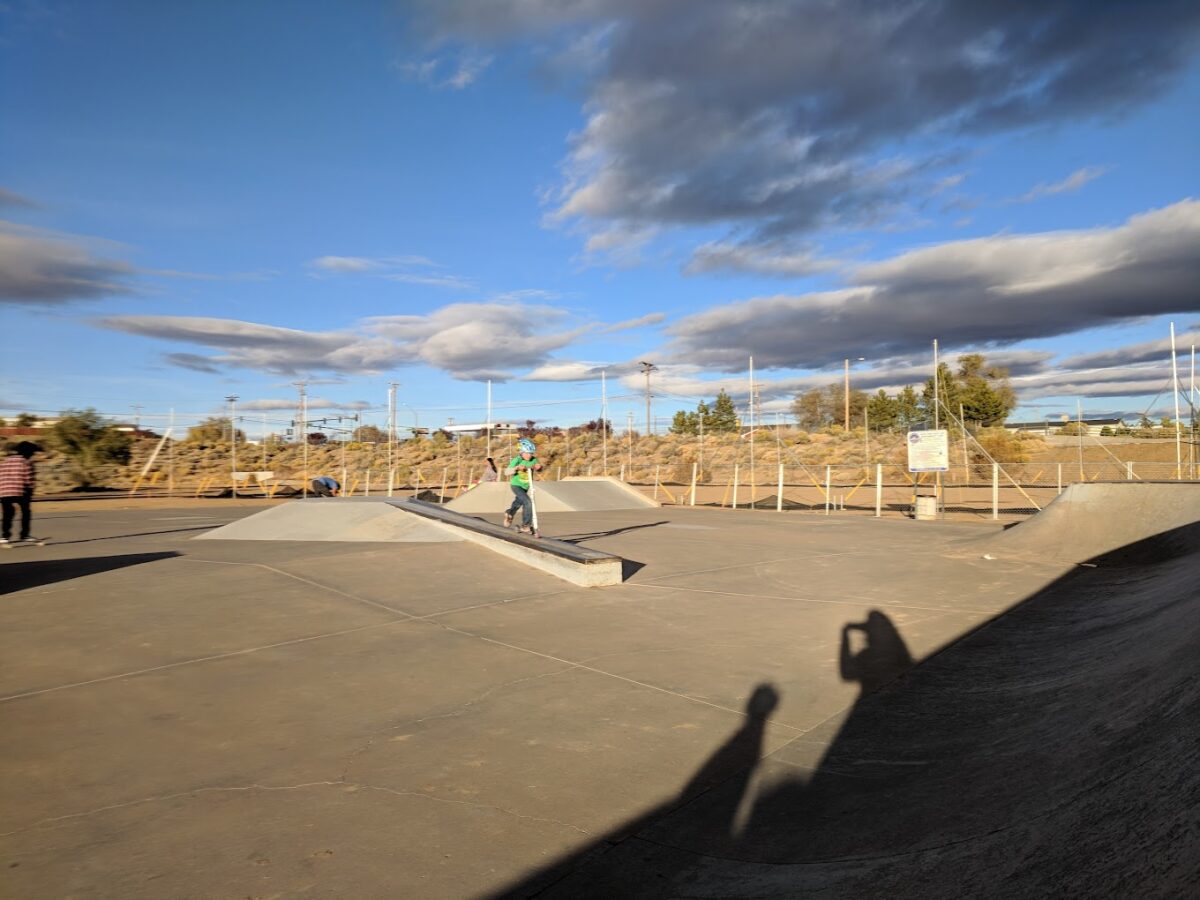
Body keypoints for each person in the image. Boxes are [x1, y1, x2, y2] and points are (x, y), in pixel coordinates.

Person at [0, 441, 39, 545]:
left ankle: (5, 536)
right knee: (26, 511)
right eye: (32, 452)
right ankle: (24, 535)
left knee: (7, 513)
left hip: (4, 490)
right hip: (20, 490)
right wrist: (31, 490)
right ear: (28, 452)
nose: (33, 455)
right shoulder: (26, 462)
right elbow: (29, 480)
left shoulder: (5, 461)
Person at [503, 438, 543, 532]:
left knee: (519, 502)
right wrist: (517, 468)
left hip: (526, 486)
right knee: (528, 502)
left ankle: (509, 513)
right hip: (516, 485)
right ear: (522, 452)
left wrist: (539, 468)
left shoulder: (534, 460)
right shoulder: (517, 460)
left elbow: (539, 468)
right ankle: (526, 525)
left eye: (531, 453)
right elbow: (506, 472)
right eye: (527, 453)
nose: (529, 455)